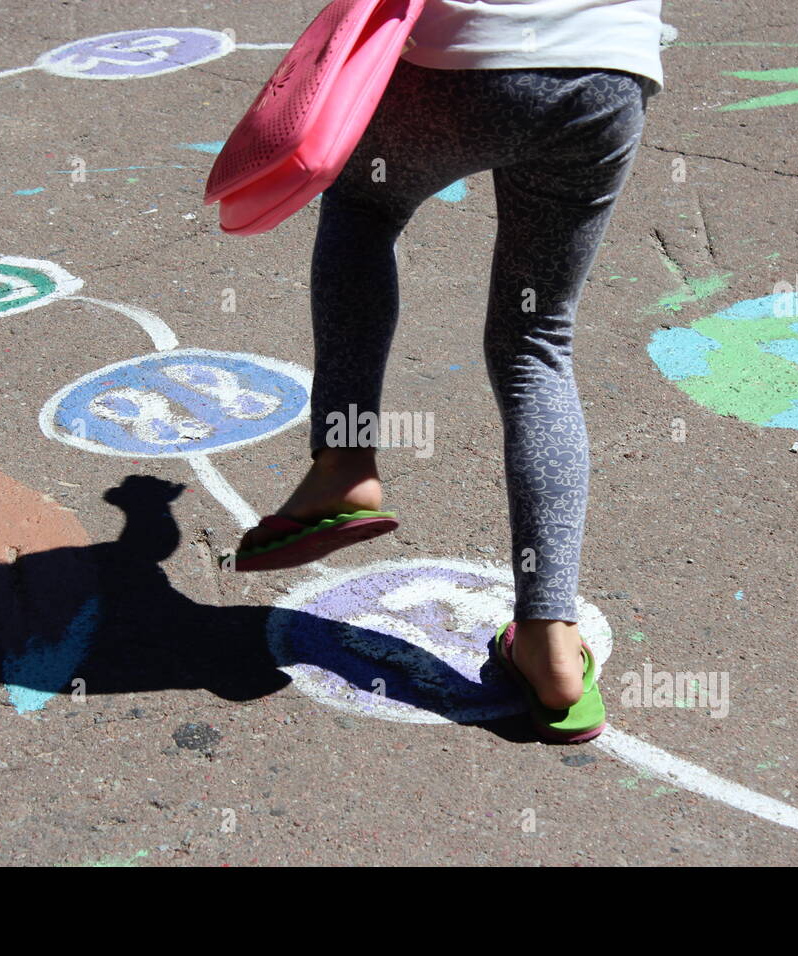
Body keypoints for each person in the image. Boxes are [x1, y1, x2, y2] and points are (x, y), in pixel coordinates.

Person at [234, 0, 664, 741]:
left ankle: (344, 461)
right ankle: (552, 643)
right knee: (537, 340)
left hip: (461, 57)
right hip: (605, 71)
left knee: (365, 208)